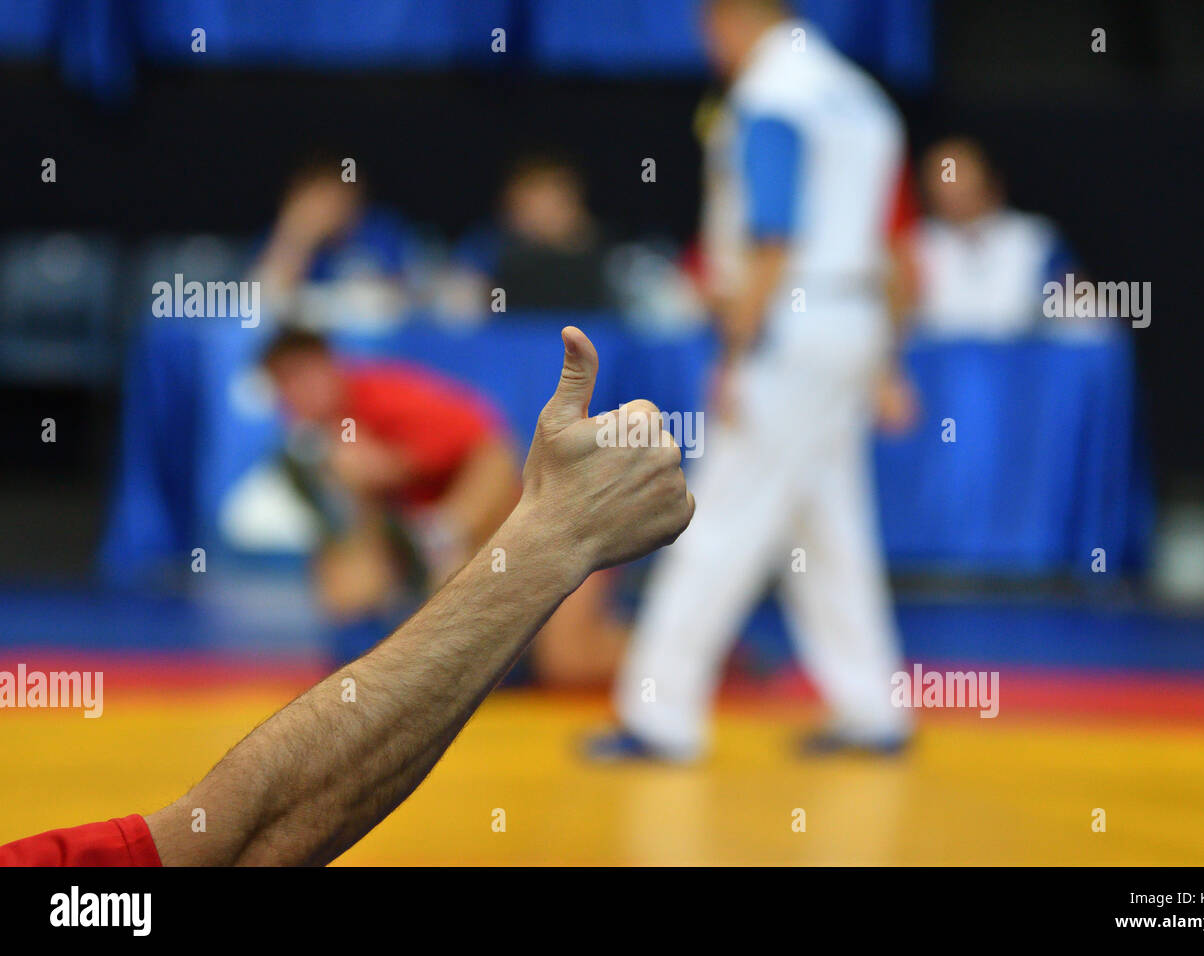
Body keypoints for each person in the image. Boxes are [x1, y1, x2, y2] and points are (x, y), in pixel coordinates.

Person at [0, 327, 694, 866]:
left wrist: (443, 538)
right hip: (491, 563)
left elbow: (488, 452)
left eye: (293, 384)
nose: (287, 403)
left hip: (528, 531)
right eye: (277, 392)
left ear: (322, 368)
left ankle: (695, 657)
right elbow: (346, 570)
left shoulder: (380, 397)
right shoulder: (314, 451)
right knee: (373, 626)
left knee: (571, 664)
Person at [589, 0, 918, 763]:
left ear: (734, 18)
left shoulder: (773, 97)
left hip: (789, 326)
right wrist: (886, 360)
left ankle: (659, 714)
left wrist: (737, 354)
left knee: (720, 516)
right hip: (851, 317)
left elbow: (773, 236)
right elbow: (896, 244)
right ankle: (872, 706)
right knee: (829, 521)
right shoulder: (861, 98)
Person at [258, 327, 519, 660]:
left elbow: (488, 443)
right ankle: (370, 639)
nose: (295, 393)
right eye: (284, 384)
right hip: (404, 535)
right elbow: (341, 532)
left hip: (466, 514)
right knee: (346, 571)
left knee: (487, 476)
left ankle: (438, 543)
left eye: (302, 375)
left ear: (330, 366)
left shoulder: (382, 394)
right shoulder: (304, 450)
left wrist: (390, 468)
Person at [913, 136, 1080, 338]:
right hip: (940, 361)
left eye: (960, 171)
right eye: (942, 173)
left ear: (989, 178)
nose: (951, 184)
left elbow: (1078, 305)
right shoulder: (915, 244)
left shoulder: (1032, 237)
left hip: (1021, 357)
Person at [252, 154, 421, 325]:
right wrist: (296, 235)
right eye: (320, 195)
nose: (329, 207)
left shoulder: (380, 230)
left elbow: (406, 294)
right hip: (310, 342)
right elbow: (261, 301)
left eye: (338, 194)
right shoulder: (286, 235)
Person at [443, 151, 615, 315]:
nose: (545, 213)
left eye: (556, 201)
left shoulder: (605, 254)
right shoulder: (485, 249)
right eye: (535, 200)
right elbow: (457, 303)